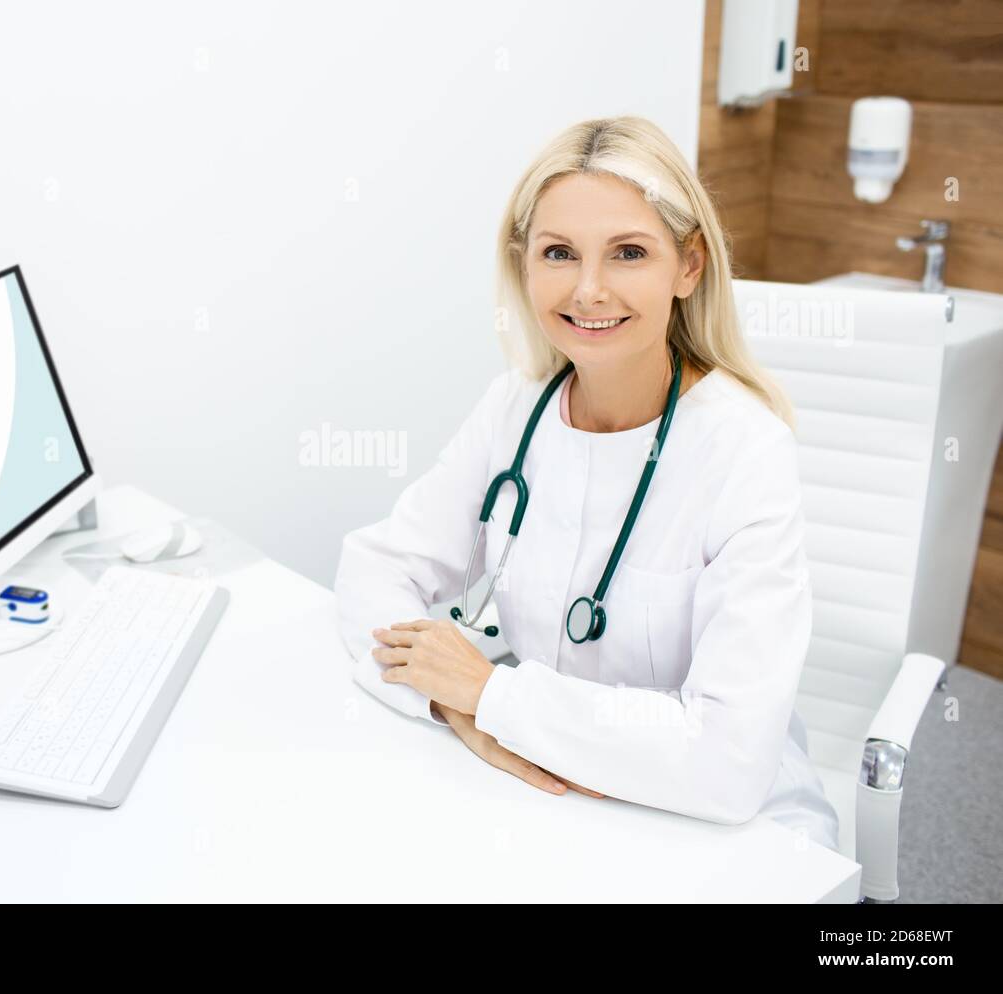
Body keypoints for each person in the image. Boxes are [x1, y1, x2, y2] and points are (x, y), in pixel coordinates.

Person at [334, 116, 841, 851]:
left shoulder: (744, 450)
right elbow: (376, 567)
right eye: (559, 253)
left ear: (689, 265)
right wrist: (454, 709)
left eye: (629, 253)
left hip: (724, 834)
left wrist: (494, 693)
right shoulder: (518, 405)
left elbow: (726, 763)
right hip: (546, 791)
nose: (589, 289)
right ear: (525, 265)